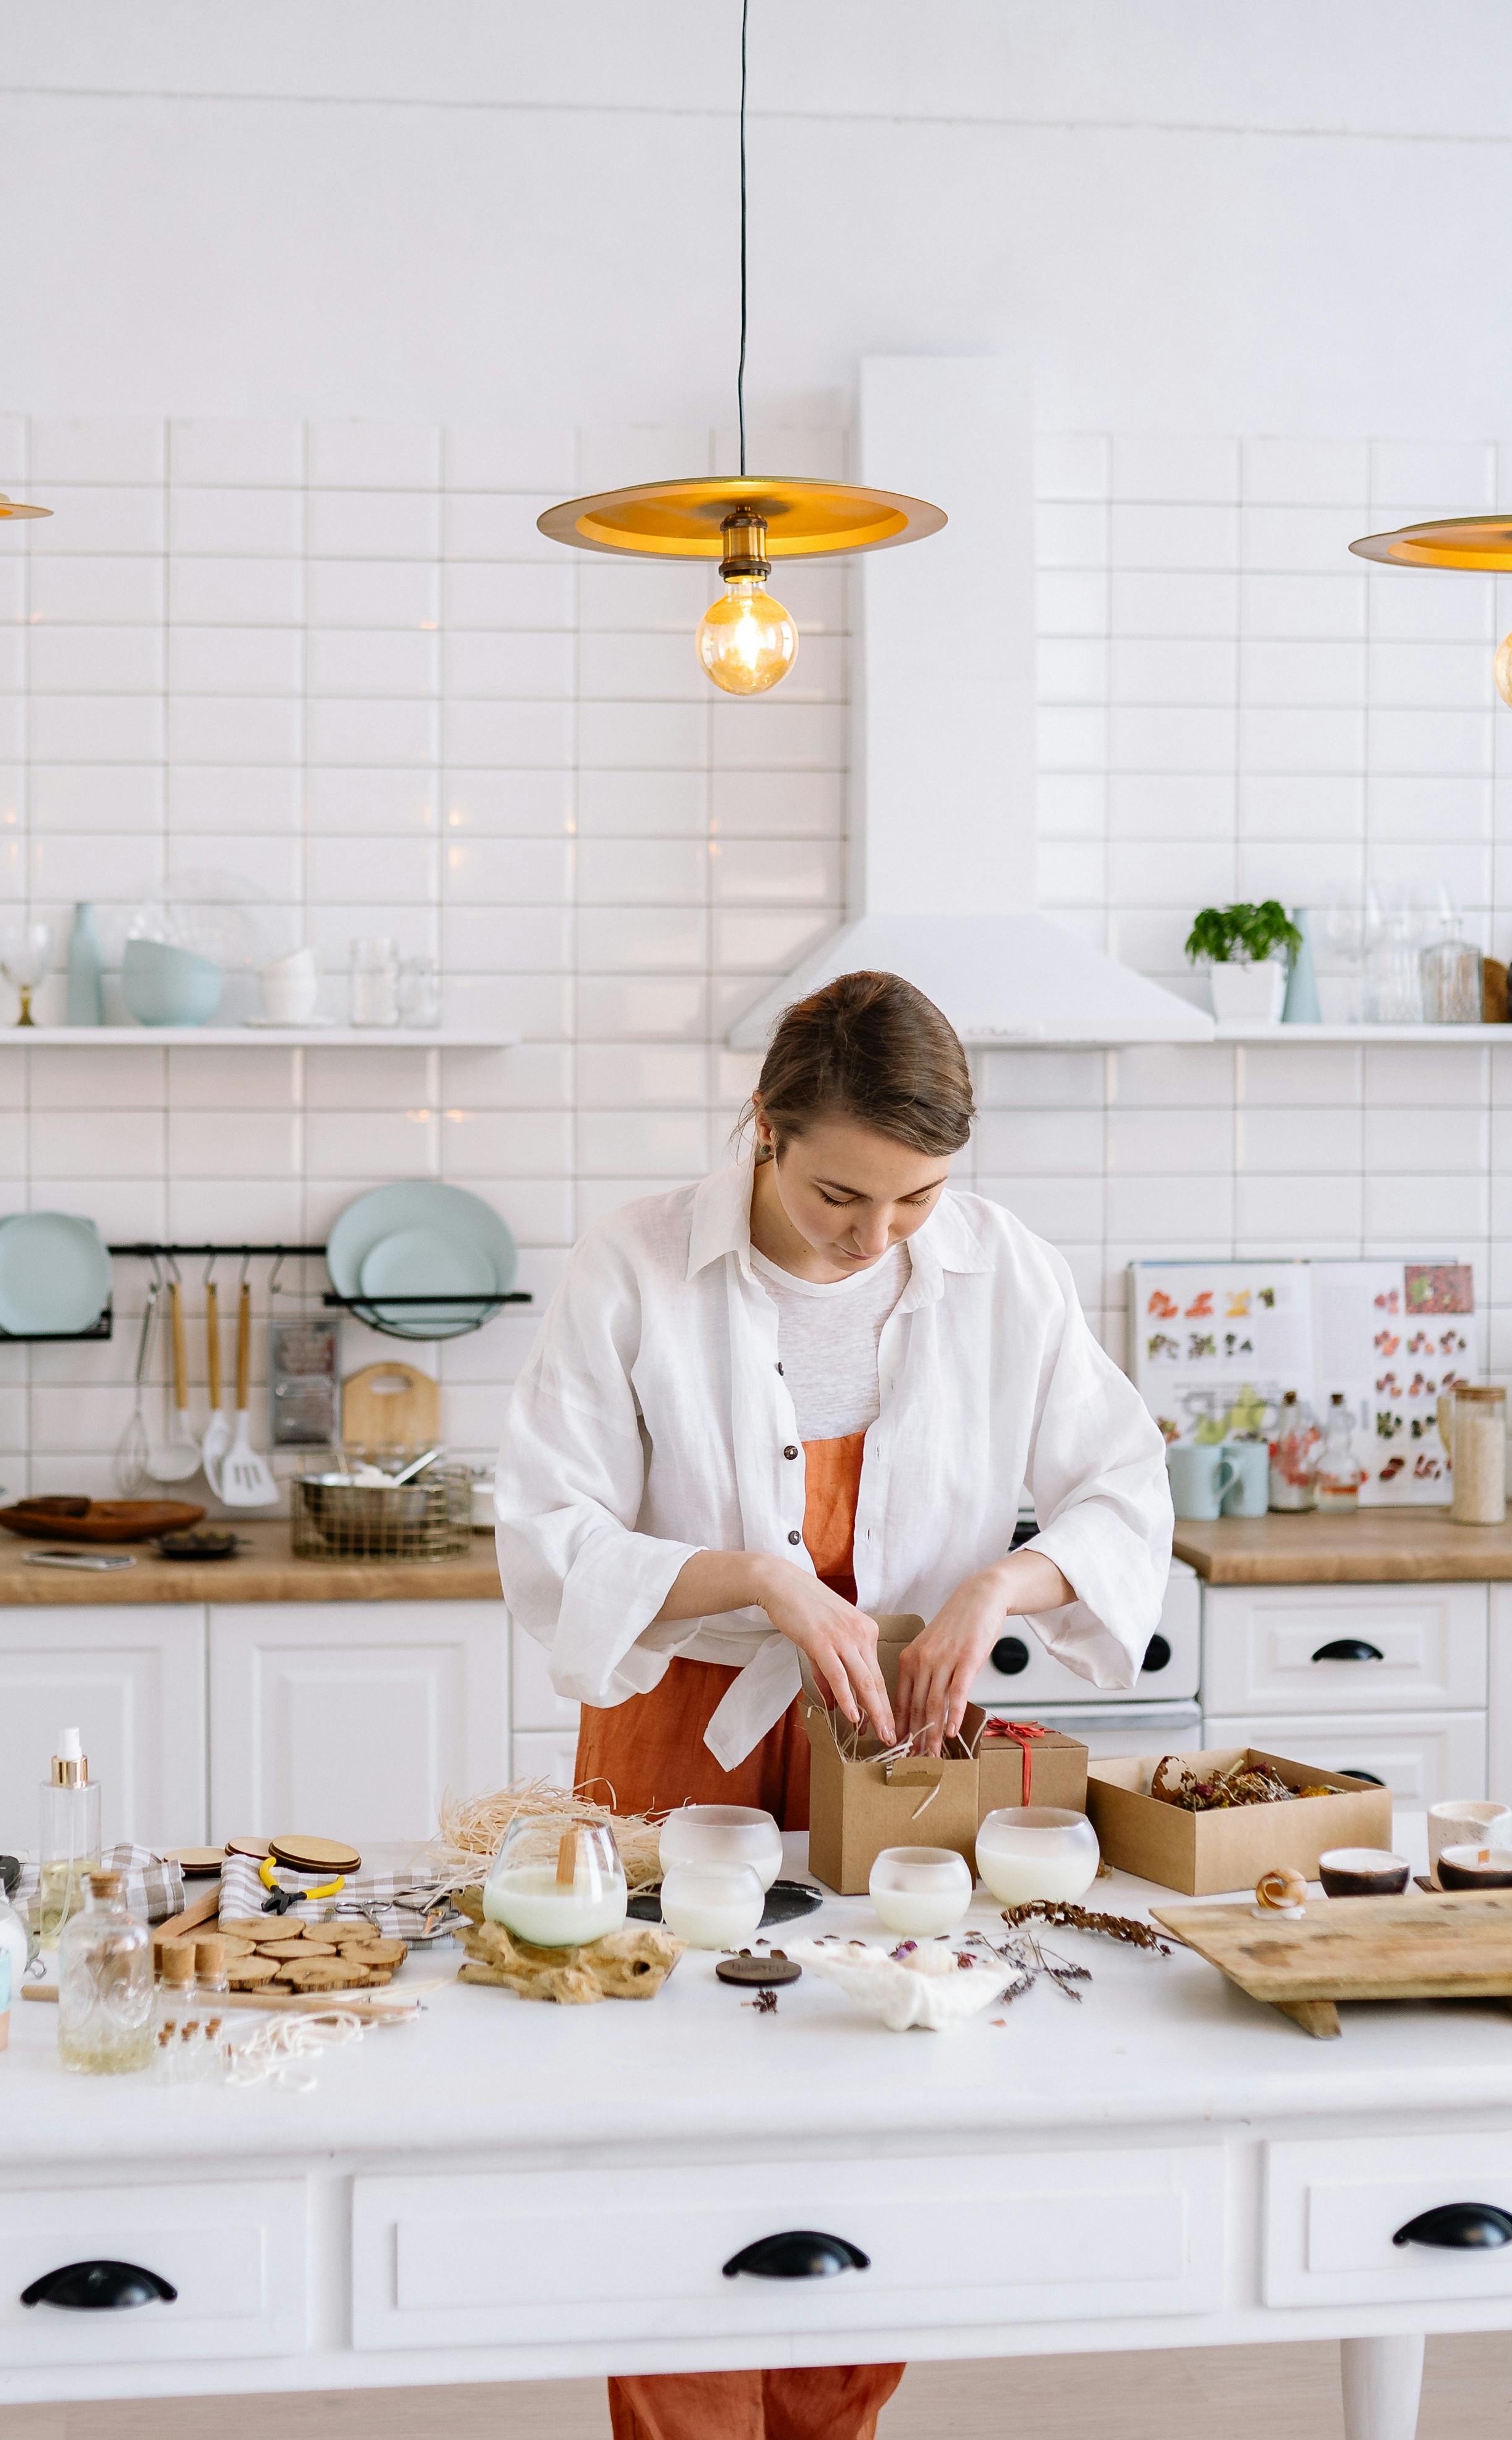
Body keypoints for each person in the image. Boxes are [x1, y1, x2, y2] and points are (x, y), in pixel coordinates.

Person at [497, 969, 1178, 2440]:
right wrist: (758, 1576)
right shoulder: (628, 1266)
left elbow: (1123, 1490)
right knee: (669, 2141)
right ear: (761, 1126)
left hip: (898, 1770)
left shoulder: (1010, 1272)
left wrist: (1004, 1587)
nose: (877, 1236)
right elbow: (548, 1539)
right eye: (839, 1196)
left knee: (874, 2119)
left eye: (917, 1199)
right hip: (680, 1754)